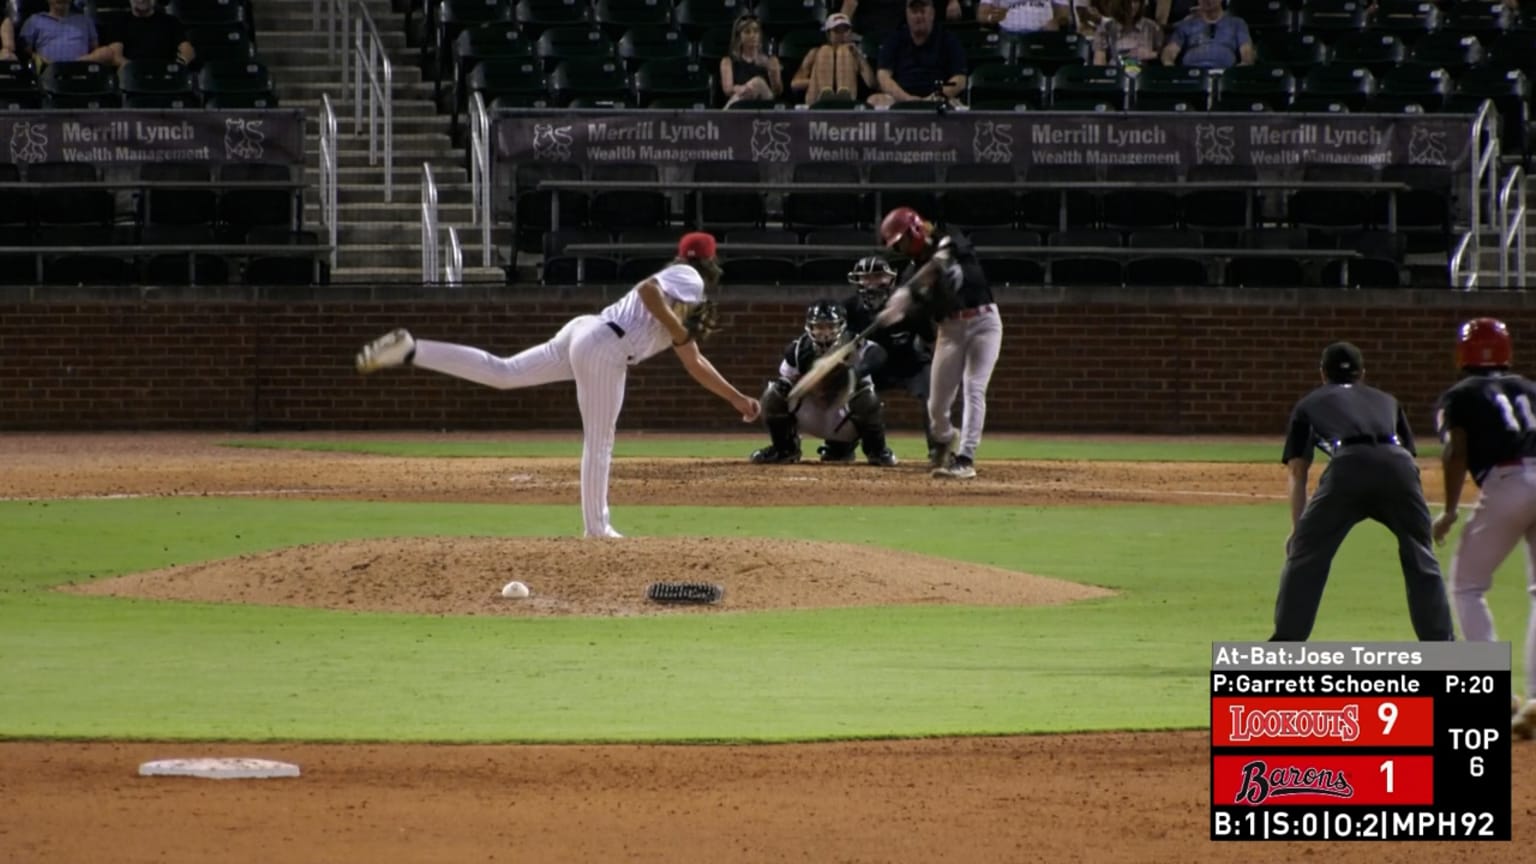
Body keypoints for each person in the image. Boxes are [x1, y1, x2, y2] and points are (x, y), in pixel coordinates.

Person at [355, 233, 762, 539]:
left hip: (587, 331)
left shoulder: (680, 287)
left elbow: (694, 361)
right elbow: (648, 291)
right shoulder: (689, 278)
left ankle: (413, 349)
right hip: (606, 345)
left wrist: (738, 400)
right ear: (712, 263)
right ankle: (597, 530)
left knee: (503, 373)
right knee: (599, 441)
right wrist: (677, 326)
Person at [1270, 341, 1455, 643]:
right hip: (1399, 469)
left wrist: (1297, 529)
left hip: (1348, 469)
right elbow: (1408, 457)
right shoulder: (1388, 400)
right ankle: (1442, 647)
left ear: (1322, 373)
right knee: (1421, 556)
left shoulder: (1309, 403)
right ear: (1362, 373)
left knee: (1306, 557)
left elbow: (1297, 471)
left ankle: (1286, 645)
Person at [1430, 318, 1536, 739]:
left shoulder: (1459, 395)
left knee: (1466, 586)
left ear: (1462, 354)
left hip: (1507, 483)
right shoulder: (1530, 387)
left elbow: (1456, 450)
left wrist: (1451, 510)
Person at [876, 207, 1002, 480]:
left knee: (974, 387)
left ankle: (966, 458)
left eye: (903, 241)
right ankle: (945, 439)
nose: (903, 248)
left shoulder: (949, 238)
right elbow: (925, 316)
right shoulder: (912, 269)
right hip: (951, 329)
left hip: (984, 323)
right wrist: (900, 312)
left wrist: (908, 292)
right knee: (937, 405)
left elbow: (942, 262)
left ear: (916, 230)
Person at [749, 299, 898, 467]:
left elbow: (878, 354)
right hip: (812, 414)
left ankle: (876, 451)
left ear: (840, 326)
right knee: (773, 393)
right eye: (819, 326)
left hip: (845, 417)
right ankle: (784, 449)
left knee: (866, 396)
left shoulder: (854, 343)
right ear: (810, 327)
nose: (824, 332)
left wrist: (854, 372)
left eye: (830, 326)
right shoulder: (798, 350)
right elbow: (786, 386)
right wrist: (813, 383)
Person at [841, 255, 943, 463]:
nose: (872, 283)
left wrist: (913, 313)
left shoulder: (908, 306)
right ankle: (843, 446)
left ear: (890, 279)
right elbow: (843, 349)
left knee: (933, 392)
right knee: (846, 387)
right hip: (871, 366)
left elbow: (931, 338)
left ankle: (938, 449)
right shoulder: (849, 309)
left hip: (909, 362)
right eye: (866, 278)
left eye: (878, 276)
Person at [871, 0, 967, 108]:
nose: (918, 16)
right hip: (900, 98)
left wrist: (933, 98)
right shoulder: (895, 39)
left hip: (938, 99)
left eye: (922, 11)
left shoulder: (948, 39)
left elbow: (960, 79)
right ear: (907, 14)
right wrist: (908, 99)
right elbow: (883, 76)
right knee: (874, 100)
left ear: (932, 13)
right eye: (914, 12)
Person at [790, 12, 875, 106]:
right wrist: (824, 78)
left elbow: (871, 83)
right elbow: (795, 84)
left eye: (845, 30)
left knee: (844, 52)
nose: (842, 35)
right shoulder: (815, 52)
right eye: (837, 31)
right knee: (825, 51)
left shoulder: (855, 54)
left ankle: (843, 96)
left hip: (849, 99)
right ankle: (825, 94)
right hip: (816, 98)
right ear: (828, 34)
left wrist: (859, 56)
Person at [1160, 0, 1255, 70]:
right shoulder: (1186, 25)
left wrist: (1245, 63)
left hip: (1225, 73)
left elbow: (1246, 49)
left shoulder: (1237, 23)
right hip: (1192, 74)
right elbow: (1170, 50)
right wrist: (1169, 63)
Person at [18, 0, 114, 65]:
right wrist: (39, 59)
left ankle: (72, 65)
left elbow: (95, 48)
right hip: (50, 69)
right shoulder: (35, 20)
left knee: (106, 52)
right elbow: (25, 50)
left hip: (81, 67)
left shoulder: (85, 20)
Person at [104, 0, 194, 67]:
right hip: (133, 77)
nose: (142, 0)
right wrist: (136, 69)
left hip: (165, 76)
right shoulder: (119, 23)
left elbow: (187, 49)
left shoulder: (171, 22)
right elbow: (116, 56)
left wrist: (180, 64)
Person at [719, 13, 782, 107]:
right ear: (739, 36)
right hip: (741, 104)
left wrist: (771, 72)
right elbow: (728, 90)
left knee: (758, 83)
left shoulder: (771, 60)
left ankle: (724, 116)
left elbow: (778, 91)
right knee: (752, 86)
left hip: (766, 105)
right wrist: (742, 88)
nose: (753, 35)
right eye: (747, 32)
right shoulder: (728, 61)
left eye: (756, 31)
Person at [1091, 0, 1163, 67]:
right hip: (1115, 76)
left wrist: (1152, 55)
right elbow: (1099, 61)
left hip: (1143, 77)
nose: (1131, 6)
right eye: (1127, 2)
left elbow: (1163, 55)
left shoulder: (1152, 27)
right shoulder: (1106, 27)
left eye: (1135, 1)